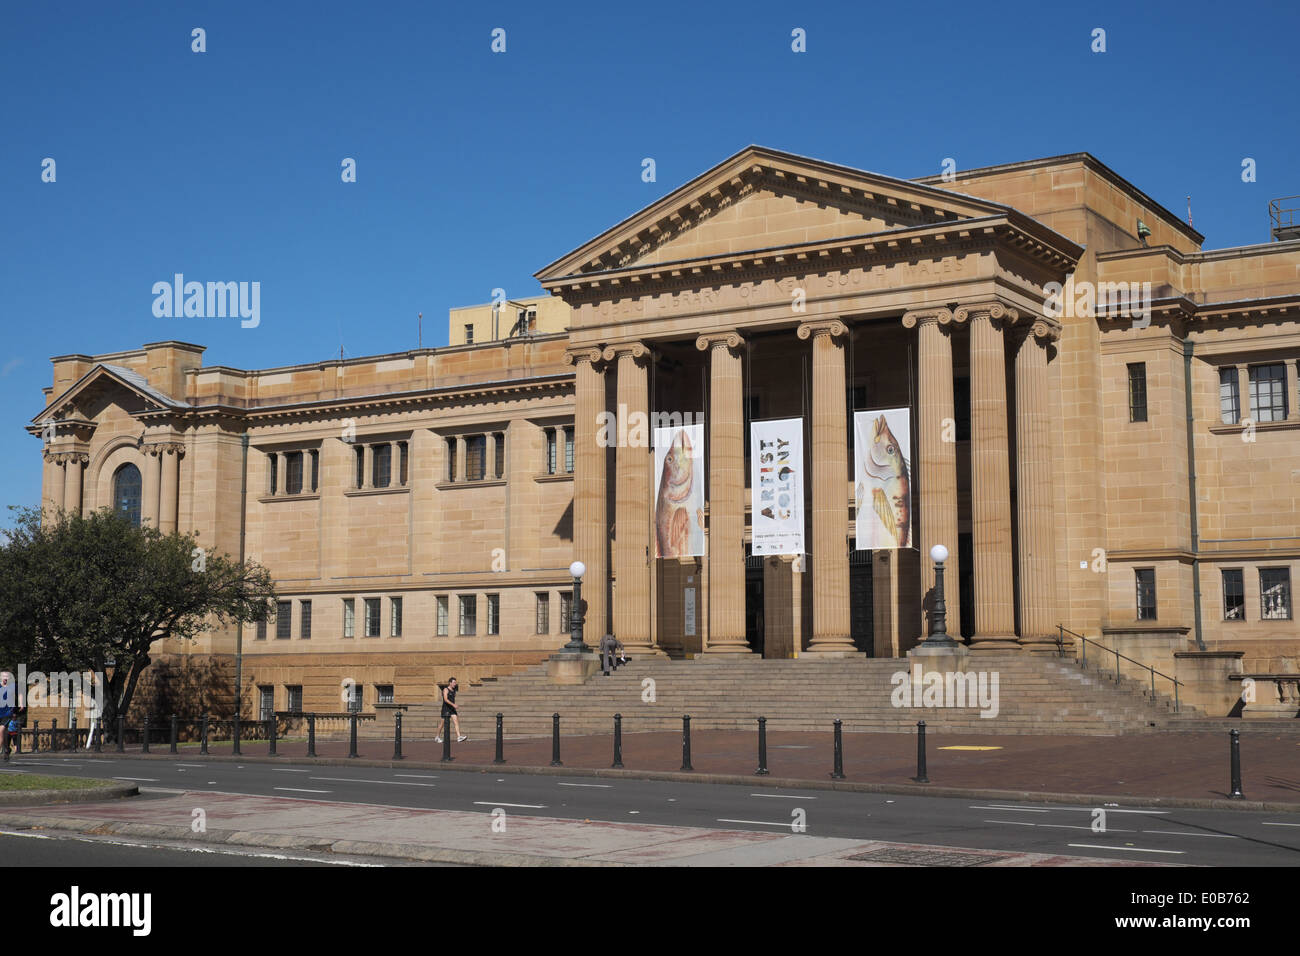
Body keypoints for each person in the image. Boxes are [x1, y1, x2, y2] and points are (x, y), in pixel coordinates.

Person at [434, 677, 466, 743]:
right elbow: (445, 699)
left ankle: (459, 737)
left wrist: (453, 706)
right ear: (450, 683)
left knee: (456, 721)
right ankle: (437, 737)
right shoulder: (446, 689)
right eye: (454, 682)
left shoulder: (454, 690)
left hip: (452, 709)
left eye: (455, 683)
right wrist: (453, 704)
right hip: (446, 709)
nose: (455, 684)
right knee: (442, 724)